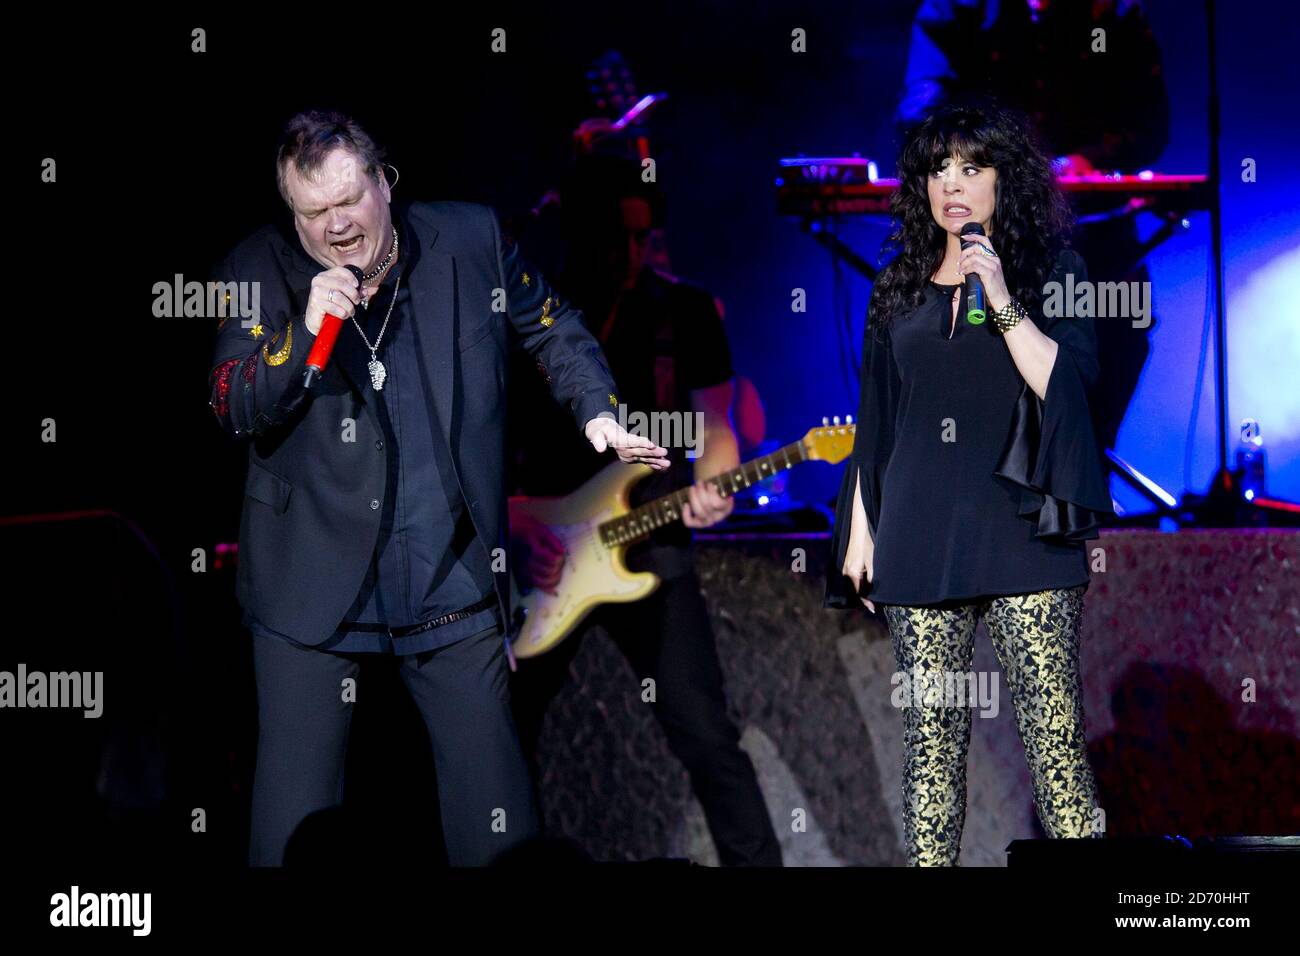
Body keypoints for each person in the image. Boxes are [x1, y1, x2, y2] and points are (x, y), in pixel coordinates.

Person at [207, 110, 666, 867]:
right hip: (310, 588)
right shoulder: (256, 269)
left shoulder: (469, 242)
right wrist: (302, 335)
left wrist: (599, 415)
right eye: (313, 213)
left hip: (449, 575)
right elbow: (231, 402)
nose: (336, 226)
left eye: (348, 201)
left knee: (499, 828)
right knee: (289, 836)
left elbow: (551, 324)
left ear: (383, 182)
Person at [826, 97, 1113, 866]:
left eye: (972, 167)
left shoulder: (1057, 272)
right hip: (921, 541)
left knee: (1056, 753)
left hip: (1023, 537)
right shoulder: (897, 288)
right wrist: (860, 531)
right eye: (936, 169)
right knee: (931, 754)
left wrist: (1003, 300)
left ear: (1003, 180)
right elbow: (876, 422)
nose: (952, 184)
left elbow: (1071, 388)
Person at [506, 154, 783, 866]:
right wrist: (515, 521)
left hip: (651, 547)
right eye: (613, 238)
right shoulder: (529, 311)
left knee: (706, 735)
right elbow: (473, 443)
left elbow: (716, 426)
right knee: (498, 733)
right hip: (541, 555)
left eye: (641, 237)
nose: (630, 253)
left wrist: (715, 483)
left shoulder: (683, 310)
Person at [895, 0, 1171, 460]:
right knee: (928, 323)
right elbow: (918, 110)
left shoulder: (1115, 14)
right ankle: (974, 471)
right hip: (982, 223)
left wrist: (1088, 162)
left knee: (1121, 327)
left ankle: (1080, 469)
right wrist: (985, 158)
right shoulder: (955, 10)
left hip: (1091, 226)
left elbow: (1150, 125)